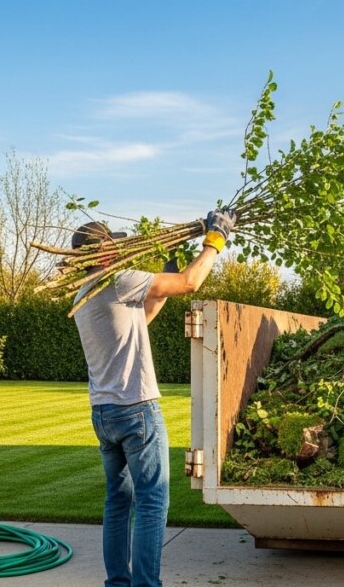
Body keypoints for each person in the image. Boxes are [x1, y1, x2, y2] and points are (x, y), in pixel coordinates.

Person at [72, 208, 237, 587]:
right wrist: (216, 239)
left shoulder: (85, 294)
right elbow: (191, 283)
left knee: (118, 501)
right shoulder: (117, 281)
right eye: (111, 243)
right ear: (99, 254)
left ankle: (118, 583)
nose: (117, 246)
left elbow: (140, 318)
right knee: (152, 501)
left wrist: (168, 263)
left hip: (104, 412)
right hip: (136, 410)